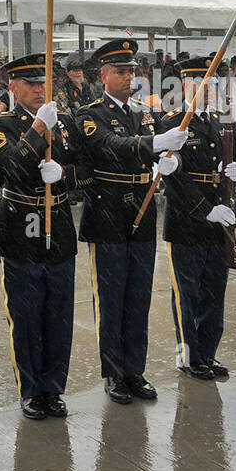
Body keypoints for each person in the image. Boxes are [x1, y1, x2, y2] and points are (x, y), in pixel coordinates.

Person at [77, 39, 188, 405]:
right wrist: (155, 143)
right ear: (103, 75)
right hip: (108, 211)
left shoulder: (143, 112)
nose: (129, 77)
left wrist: (168, 164)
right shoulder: (89, 114)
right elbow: (111, 145)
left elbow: (155, 151)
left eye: (132, 70)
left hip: (142, 210)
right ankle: (113, 373)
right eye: (121, 71)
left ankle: (134, 370)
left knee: (139, 295)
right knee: (110, 298)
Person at [0, 53, 90, 421]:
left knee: (59, 315)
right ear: (12, 88)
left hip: (58, 223)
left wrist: (63, 173)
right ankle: (31, 390)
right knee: (26, 317)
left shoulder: (64, 123)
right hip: (19, 227)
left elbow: (87, 169)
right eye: (29, 84)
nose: (37, 89)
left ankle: (53, 388)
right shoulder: (0, 124)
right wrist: (36, 132)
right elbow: (10, 169)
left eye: (42, 83)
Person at [159, 56, 236, 380]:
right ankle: (189, 355)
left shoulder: (222, 121)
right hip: (187, 222)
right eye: (201, 84)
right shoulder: (173, 123)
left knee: (214, 292)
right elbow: (173, 178)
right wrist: (204, 210)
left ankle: (208, 354)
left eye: (212, 85)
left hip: (220, 221)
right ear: (186, 86)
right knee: (187, 293)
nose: (208, 90)